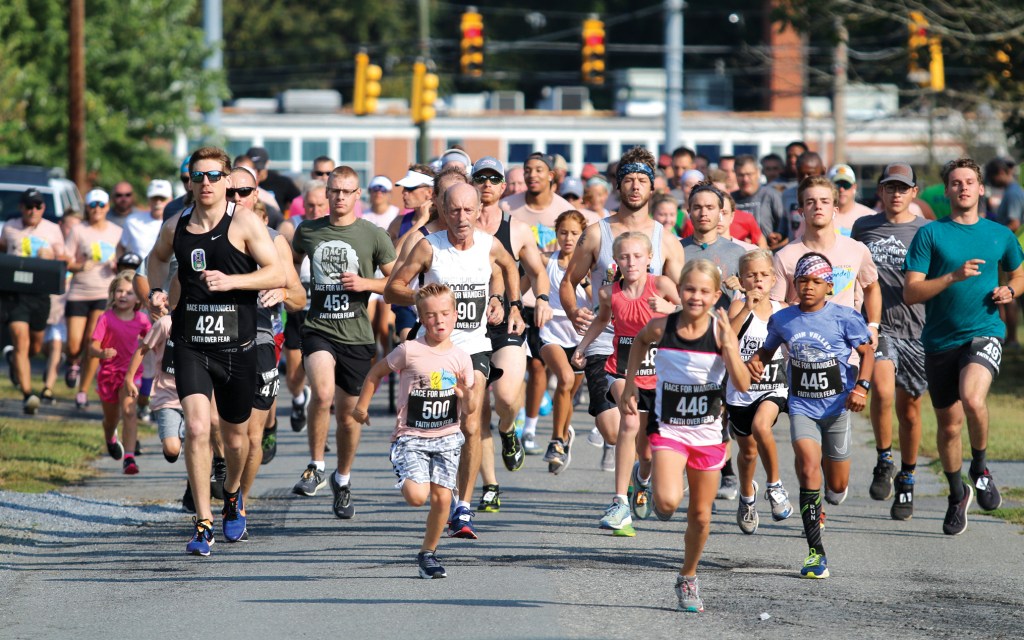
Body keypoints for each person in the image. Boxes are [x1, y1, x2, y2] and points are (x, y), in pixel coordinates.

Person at [148, 146, 285, 555]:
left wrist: (232, 282)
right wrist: (157, 293)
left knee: (238, 440)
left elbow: (277, 272)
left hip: (237, 346)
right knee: (195, 426)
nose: (205, 183)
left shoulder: (244, 223)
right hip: (191, 343)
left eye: (213, 176)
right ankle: (202, 523)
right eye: (197, 176)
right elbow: (156, 260)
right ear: (189, 182)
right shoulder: (177, 225)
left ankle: (231, 496)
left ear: (227, 180)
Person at [385, 182, 523, 539]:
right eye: (455, 210)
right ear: (444, 212)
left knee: (473, 419)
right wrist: (424, 299)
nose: (462, 218)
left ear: (479, 211)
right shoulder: (429, 248)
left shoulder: (489, 244)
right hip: (433, 352)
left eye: (468, 210)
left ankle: (463, 505)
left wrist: (507, 302)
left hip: (473, 346)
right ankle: (410, 460)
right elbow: (391, 289)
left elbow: (509, 266)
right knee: (431, 426)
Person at [560, 146, 686, 529]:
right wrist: (573, 311)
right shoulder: (596, 233)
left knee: (644, 442)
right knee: (618, 427)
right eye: (628, 179)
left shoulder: (668, 240)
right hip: (607, 340)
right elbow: (569, 281)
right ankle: (619, 499)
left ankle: (641, 477)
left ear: (652, 186)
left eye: (642, 180)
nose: (634, 187)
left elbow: (678, 301)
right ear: (618, 185)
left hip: (652, 347)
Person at [904, 157, 1024, 535]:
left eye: (970, 181)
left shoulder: (999, 234)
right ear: (948, 190)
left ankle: (981, 467)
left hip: (985, 329)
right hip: (939, 338)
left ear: (981, 188)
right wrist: (952, 277)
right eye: (956, 183)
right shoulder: (931, 234)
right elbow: (911, 291)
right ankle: (958, 494)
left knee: (973, 399)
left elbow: (1019, 274)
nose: (964, 188)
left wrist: (1010, 289)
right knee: (949, 427)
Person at [621, 259, 748, 612]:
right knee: (666, 504)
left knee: (702, 516)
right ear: (679, 292)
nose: (696, 296)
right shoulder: (663, 327)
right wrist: (631, 382)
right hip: (669, 429)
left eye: (704, 291)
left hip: (708, 436)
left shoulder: (721, 333)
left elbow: (742, 383)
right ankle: (646, 477)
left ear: (716, 296)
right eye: (689, 289)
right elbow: (639, 342)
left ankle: (688, 577)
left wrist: (731, 347)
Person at [748, 252, 874, 579]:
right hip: (802, 406)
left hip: (836, 408)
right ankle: (816, 553)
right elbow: (768, 348)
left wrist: (861, 387)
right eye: (802, 281)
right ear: (794, 284)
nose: (808, 287)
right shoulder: (784, 319)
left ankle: (827, 495)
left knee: (836, 484)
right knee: (807, 466)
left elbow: (867, 352)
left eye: (816, 281)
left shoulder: (845, 318)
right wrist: (757, 361)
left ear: (829, 286)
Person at [289, 166, 397, 523]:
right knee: (321, 394)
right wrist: (287, 290)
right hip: (318, 327)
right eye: (334, 191)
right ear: (328, 193)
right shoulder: (308, 231)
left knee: (349, 418)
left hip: (357, 335)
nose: (339, 197)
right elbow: (290, 266)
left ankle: (343, 479)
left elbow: (396, 283)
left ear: (357, 196)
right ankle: (316, 466)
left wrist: (367, 284)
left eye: (346, 192)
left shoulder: (373, 235)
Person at [352, 283, 475, 579]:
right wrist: (361, 407)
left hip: (447, 437)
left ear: (456, 315)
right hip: (412, 436)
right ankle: (400, 462)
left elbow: (471, 408)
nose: (439, 320)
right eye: (431, 315)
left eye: (445, 313)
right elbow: (375, 373)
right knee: (417, 497)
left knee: (444, 499)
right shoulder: (409, 350)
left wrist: (462, 391)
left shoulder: (461, 358)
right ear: (421, 317)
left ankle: (428, 554)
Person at [573, 231, 679, 535]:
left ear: (649, 259)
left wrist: (670, 309)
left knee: (646, 454)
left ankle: (641, 481)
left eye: (637, 256)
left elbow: (694, 313)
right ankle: (619, 501)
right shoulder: (609, 293)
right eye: (624, 256)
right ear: (616, 260)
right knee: (629, 424)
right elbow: (601, 320)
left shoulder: (662, 285)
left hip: (659, 373)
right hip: (621, 368)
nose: (631, 262)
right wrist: (582, 346)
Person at [471, 157, 552, 512]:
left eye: (494, 179)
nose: (486, 184)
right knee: (474, 411)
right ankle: (490, 484)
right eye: (480, 178)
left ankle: (508, 430)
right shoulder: (455, 225)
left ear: (503, 187)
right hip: (466, 324)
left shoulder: (516, 228)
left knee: (504, 397)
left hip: (508, 320)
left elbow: (538, 271)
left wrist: (542, 300)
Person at [851, 162, 930, 520]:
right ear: (880, 192)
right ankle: (884, 458)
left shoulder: (928, 231)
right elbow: (854, 275)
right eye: (889, 187)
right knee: (881, 389)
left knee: (910, 409)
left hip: (919, 329)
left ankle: (908, 478)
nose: (896, 194)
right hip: (878, 326)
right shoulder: (864, 227)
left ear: (914, 192)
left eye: (903, 188)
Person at [726, 250, 792, 534]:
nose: (758, 280)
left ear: (774, 278)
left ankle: (775, 486)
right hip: (741, 392)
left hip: (774, 387)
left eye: (764, 275)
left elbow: (795, 345)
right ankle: (746, 497)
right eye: (751, 275)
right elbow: (726, 338)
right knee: (748, 453)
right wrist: (745, 308)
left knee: (761, 426)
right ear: (741, 280)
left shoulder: (783, 310)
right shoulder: (737, 308)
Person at [771, 176, 881, 337]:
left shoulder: (856, 249)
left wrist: (873, 325)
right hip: (803, 350)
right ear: (801, 211)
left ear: (835, 210)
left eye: (824, 201)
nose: (818, 206)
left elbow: (871, 287)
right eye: (810, 202)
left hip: (848, 351)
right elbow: (775, 306)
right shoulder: (784, 256)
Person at [0, 188, 67, 413]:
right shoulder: (10, 227)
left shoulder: (53, 229)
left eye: (37, 206)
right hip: (14, 294)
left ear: (43, 208)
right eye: (28, 206)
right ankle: (28, 395)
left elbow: (65, 257)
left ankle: (16, 364)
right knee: (20, 340)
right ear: (21, 207)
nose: (33, 210)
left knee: (35, 345)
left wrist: (51, 255)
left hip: (40, 293)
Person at [537, 210, 590, 473]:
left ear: (583, 236)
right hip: (551, 334)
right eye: (563, 233)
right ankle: (556, 440)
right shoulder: (545, 261)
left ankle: (564, 438)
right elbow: (526, 288)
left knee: (569, 391)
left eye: (574, 233)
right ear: (556, 233)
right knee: (565, 380)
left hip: (581, 337)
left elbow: (599, 296)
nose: (568, 238)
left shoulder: (589, 265)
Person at [65, 188, 123, 409]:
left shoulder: (117, 231)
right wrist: (80, 266)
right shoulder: (78, 230)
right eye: (92, 205)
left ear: (107, 207)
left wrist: (117, 265)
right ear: (87, 208)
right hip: (79, 292)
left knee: (93, 341)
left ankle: (82, 391)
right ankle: (72, 362)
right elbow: (67, 261)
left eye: (101, 205)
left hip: (104, 293)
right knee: (72, 345)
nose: (96, 209)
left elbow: (124, 260)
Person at [91, 272, 151, 474]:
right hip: (108, 374)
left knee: (129, 411)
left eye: (130, 292)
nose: (123, 295)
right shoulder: (105, 318)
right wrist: (101, 352)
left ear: (139, 298)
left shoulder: (142, 320)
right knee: (111, 419)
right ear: (113, 293)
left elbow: (154, 339)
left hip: (131, 375)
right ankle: (110, 437)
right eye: (120, 291)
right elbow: (91, 348)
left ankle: (129, 458)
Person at [124, 307, 183, 464]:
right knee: (172, 449)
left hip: (197, 395)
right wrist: (129, 378)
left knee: (198, 441)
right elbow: (142, 349)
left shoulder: (206, 322)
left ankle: (195, 483)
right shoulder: (165, 323)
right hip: (167, 395)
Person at [503, 153, 579, 254]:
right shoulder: (505, 207)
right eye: (527, 171)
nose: (532, 175)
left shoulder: (566, 211)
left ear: (550, 175)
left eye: (539, 170)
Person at [732, 155, 787, 250]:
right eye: (741, 175)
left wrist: (778, 237)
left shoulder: (771, 195)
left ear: (758, 173)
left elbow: (786, 227)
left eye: (749, 174)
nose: (745, 179)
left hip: (766, 253)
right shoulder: (731, 199)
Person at [781, 152, 826, 240]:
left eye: (810, 174)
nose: (805, 178)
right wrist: (779, 235)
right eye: (801, 174)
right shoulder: (787, 195)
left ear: (823, 172)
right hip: (795, 249)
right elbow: (785, 225)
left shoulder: (831, 196)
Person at [246, 146, 301, 214]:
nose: (256, 172)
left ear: (267, 163)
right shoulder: (241, 183)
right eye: (252, 169)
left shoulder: (282, 182)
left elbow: (300, 203)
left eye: (259, 169)